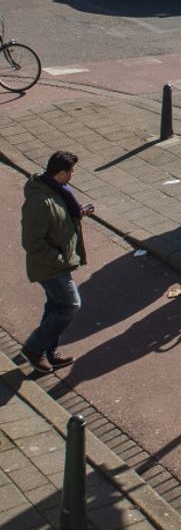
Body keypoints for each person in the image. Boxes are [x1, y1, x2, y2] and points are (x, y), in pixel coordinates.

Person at [21, 150, 93, 373]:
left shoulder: (57, 190)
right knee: (71, 305)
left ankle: (48, 351)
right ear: (61, 173)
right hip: (50, 266)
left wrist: (80, 213)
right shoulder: (39, 202)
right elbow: (32, 242)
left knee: (56, 305)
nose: (73, 175)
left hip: (59, 262)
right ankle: (34, 349)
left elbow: (60, 218)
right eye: (71, 171)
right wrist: (59, 259)